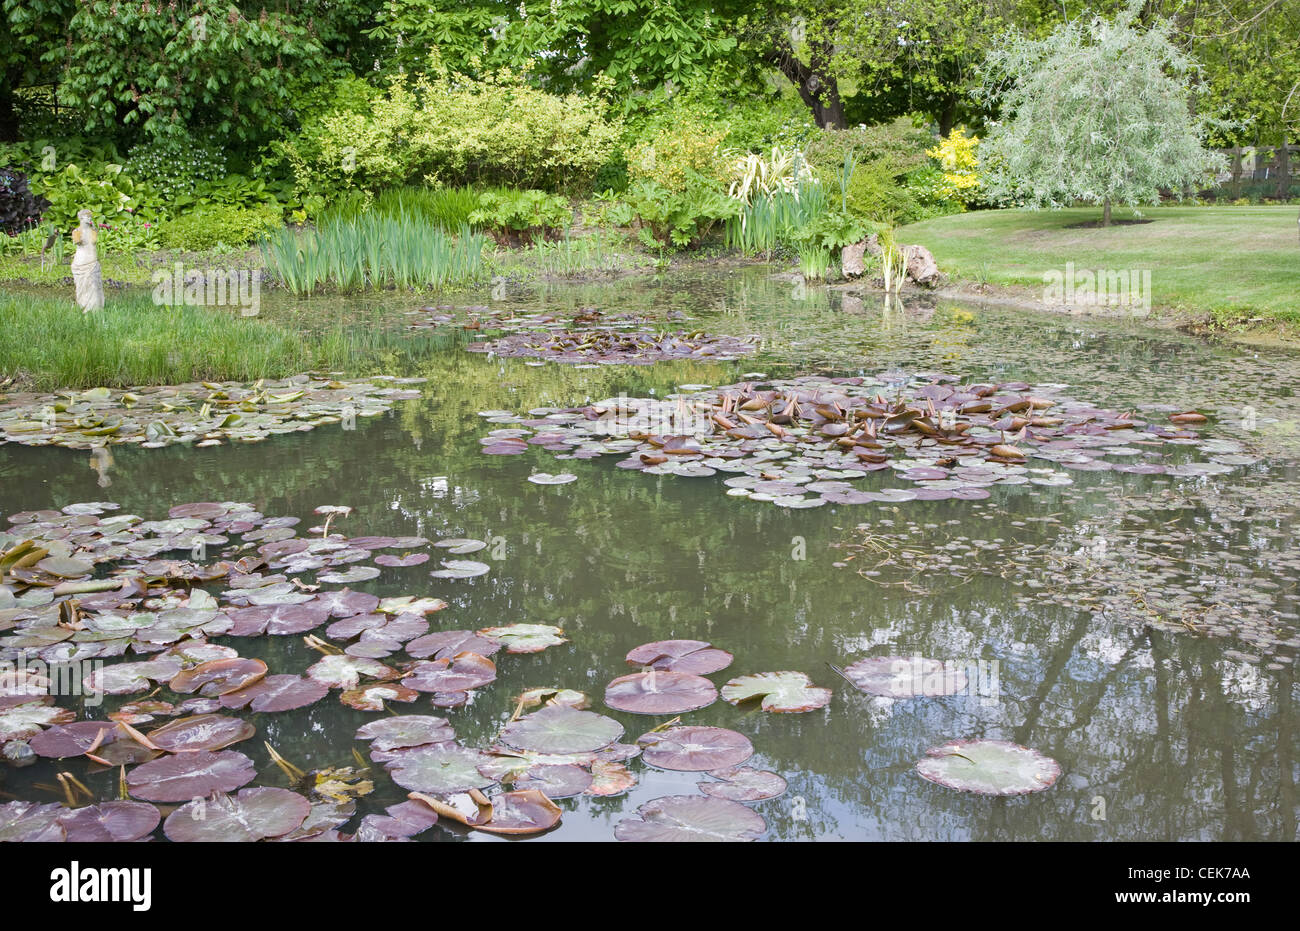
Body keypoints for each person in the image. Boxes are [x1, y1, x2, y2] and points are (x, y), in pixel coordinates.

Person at [71, 209, 104, 313]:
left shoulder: (93, 231)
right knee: (83, 285)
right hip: (81, 262)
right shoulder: (76, 232)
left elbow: (93, 241)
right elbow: (77, 241)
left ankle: (95, 307)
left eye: (90, 216)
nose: (89, 218)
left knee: (94, 285)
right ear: (81, 218)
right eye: (87, 216)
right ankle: (83, 306)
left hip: (92, 261)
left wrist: (94, 230)